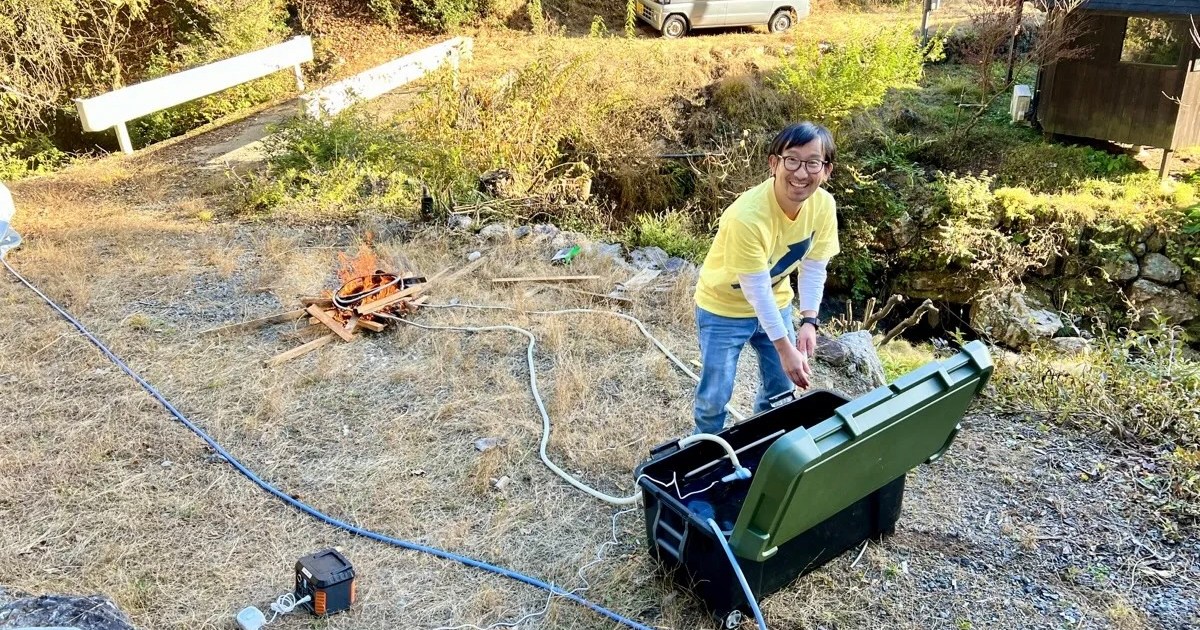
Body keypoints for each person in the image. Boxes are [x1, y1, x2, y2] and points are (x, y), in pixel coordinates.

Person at [691, 121, 839, 435]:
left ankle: (763, 442)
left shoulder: (824, 206)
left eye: (813, 163)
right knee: (715, 395)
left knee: (781, 390)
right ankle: (707, 447)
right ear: (774, 163)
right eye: (792, 160)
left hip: (778, 301)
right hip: (723, 307)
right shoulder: (746, 216)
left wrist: (809, 320)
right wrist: (786, 349)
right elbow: (756, 289)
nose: (801, 173)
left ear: (826, 170)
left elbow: (814, 267)